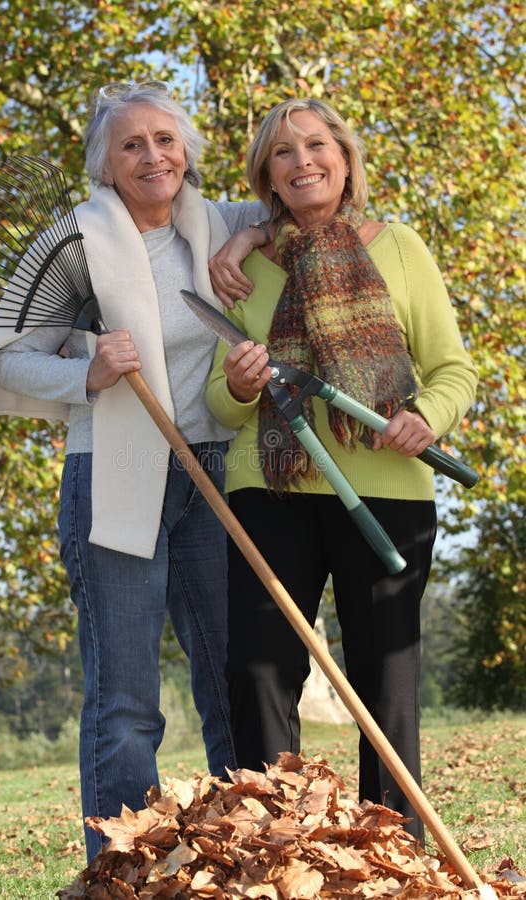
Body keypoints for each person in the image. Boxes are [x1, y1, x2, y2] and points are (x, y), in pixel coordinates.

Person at [0, 81, 267, 862]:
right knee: (128, 696)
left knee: (232, 677)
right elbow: (7, 360)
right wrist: (88, 372)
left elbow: (289, 207)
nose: (152, 155)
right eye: (131, 143)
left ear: (188, 150)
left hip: (209, 473)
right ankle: (124, 868)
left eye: (165, 139)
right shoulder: (73, 243)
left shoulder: (221, 224)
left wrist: (236, 245)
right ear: (104, 162)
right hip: (117, 468)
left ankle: (250, 853)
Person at [206, 97, 478, 843]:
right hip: (269, 488)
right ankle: (273, 846)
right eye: (282, 154)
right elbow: (214, 400)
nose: (303, 162)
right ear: (267, 176)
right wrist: (236, 385)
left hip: (386, 488)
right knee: (258, 672)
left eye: (316, 145)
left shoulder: (400, 248)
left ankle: (390, 852)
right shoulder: (246, 267)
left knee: (384, 681)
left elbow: (454, 369)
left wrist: (428, 417)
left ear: (346, 158)